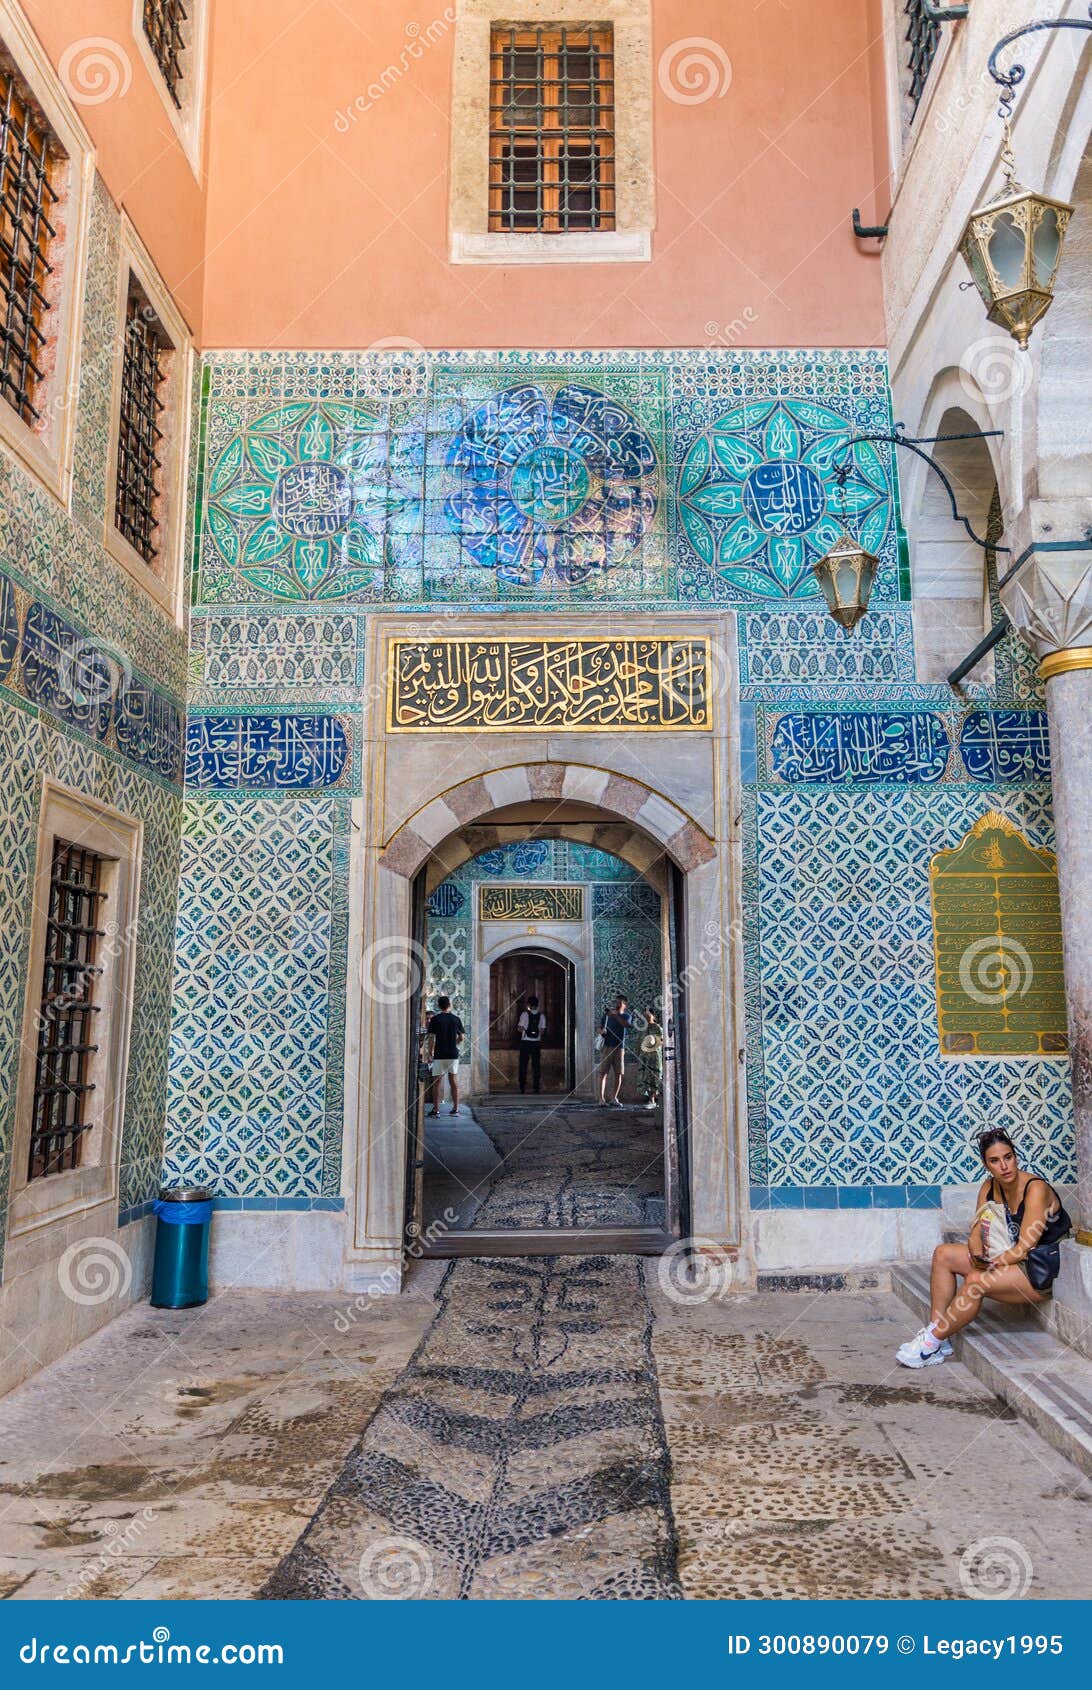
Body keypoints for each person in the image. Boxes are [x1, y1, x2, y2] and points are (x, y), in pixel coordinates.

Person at [896, 1128, 1071, 1368]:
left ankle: (929, 1344)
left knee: (975, 1281)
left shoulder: (1035, 1189)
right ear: (986, 1165)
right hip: (1008, 1256)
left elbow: (1023, 1248)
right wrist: (977, 1252)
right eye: (995, 1161)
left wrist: (990, 1265)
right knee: (943, 1254)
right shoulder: (989, 1187)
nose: (1004, 1166)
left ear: (1015, 1156)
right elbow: (977, 1232)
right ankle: (939, 1337)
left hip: (1040, 1267)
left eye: (1008, 1157)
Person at [426, 994, 464, 1117]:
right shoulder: (456, 1019)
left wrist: (430, 1053)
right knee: (453, 1081)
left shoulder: (435, 1019)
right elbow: (461, 1038)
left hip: (439, 1054)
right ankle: (455, 1109)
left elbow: (431, 1038)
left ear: (438, 1006)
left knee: (436, 1083)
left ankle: (436, 1110)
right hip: (453, 1054)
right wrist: (453, 1043)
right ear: (449, 1005)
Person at [597, 995, 633, 1107]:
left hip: (619, 1048)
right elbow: (599, 1027)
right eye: (616, 1002)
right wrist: (601, 1031)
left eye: (619, 1003)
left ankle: (614, 1098)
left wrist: (616, 1016)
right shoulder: (607, 1016)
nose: (616, 1004)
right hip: (607, 1047)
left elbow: (626, 1025)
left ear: (624, 1005)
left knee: (618, 1074)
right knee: (603, 1073)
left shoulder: (627, 1016)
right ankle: (601, 1099)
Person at [517, 995, 546, 1095]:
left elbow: (520, 1028)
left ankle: (522, 1087)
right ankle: (536, 1087)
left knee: (523, 1064)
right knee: (536, 1065)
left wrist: (524, 1030)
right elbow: (542, 1031)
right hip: (536, 1043)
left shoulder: (524, 1014)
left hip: (525, 1042)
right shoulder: (541, 1016)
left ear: (528, 1004)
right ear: (537, 1005)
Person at [638, 1007, 664, 1108]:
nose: (646, 1017)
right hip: (644, 1056)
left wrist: (654, 1043)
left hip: (654, 1057)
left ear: (653, 1016)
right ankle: (650, 1099)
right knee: (646, 1077)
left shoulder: (657, 1028)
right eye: (645, 1016)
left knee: (654, 1077)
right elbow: (639, 1041)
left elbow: (662, 1041)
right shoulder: (643, 1029)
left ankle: (654, 1099)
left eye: (648, 1015)